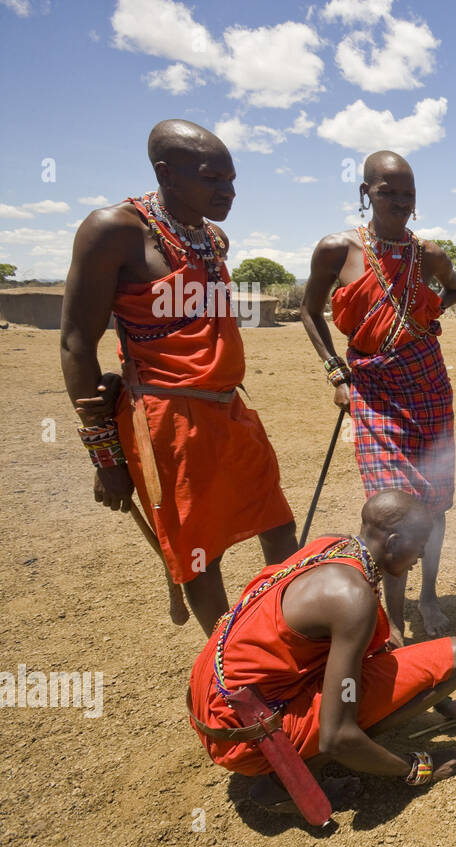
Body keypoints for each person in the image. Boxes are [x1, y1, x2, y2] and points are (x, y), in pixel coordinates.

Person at [59, 119, 296, 636]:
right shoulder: (112, 231)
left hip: (229, 409)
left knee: (279, 526)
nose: (228, 192)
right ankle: (235, 672)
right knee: (199, 556)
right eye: (213, 179)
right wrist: (107, 459)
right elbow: (76, 341)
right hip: (166, 421)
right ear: (166, 173)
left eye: (232, 180)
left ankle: (289, 638)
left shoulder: (212, 238)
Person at [188, 490, 456, 814]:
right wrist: (416, 767)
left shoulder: (334, 546)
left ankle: (299, 753)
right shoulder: (353, 599)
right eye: (421, 544)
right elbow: (337, 737)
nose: (422, 554)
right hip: (243, 730)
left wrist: (441, 701)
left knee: (385, 655)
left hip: (213, 700)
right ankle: (285, 784)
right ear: (394, 542)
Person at [300, 150, 456, 643]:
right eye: (387, 190)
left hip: (428, 385)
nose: (398, 200)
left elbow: (454, 290)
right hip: (372, 390)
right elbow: (310, 312)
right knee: (392, 507)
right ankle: (392, 615)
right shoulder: (336, 249)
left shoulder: (429, 255)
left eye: (407, 193)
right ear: (365, 192)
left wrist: (423, 317)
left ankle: (429, 596)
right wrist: (337, 374)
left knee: (433, 504)